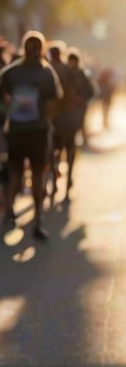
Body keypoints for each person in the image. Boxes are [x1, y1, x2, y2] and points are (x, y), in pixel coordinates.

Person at [0, 30, 63, 239]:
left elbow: (2, 93)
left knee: (15, 172)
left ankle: (8, 213)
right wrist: (46, 118)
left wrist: (9, 111)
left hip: (17, 128)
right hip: (38, 130)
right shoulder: (46, 72)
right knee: (37, 174)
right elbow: (55, 100)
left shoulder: (11, 72)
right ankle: (37, 220)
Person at [52, 48, 96, 200]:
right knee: (67, 153)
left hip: (61, 122)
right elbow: (91, 93)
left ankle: (59, 180)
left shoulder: (60, 72)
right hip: (68, 122)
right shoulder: (80, 74)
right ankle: (64, 179)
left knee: (59, 153)